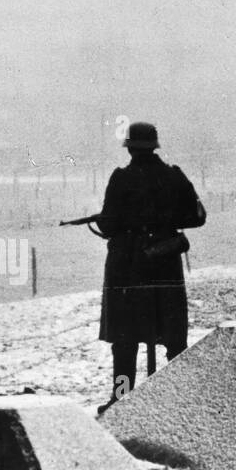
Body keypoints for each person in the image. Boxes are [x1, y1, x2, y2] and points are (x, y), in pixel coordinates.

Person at [96, 121, 206, 413]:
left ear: (130, 147)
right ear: (154, 146)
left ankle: (121, 397)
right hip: (164, 266)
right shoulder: (174, 177)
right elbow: (196, 216)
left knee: (124, 340)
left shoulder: (121, 178)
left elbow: (108, 223)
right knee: (173, 337)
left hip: (128, 268)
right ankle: (179, 396)